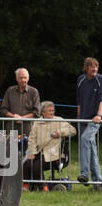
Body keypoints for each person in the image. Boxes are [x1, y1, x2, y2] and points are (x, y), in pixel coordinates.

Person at [24, 101, 76, 191]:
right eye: (50, 111)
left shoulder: (58, 120)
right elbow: (32, 139)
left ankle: (43, 187)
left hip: (55, 154)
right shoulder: (37, 123)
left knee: (37, 166)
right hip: (39, 152)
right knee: (27, 163)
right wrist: (32, 152)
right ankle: (26, 186)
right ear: (43, 113)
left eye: (53, 110)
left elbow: (73, 130)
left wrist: (59, 133)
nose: (52, 112)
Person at [76, 56, 102, 187]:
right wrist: (78, 117)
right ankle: (98, 181)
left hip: (94, 119)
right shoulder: (81, 80)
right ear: (86, 68)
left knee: (86, 139)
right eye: (92, 66)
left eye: (96, 66)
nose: (95, 69)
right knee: (90, 146)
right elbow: (79, 100)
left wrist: (99, 115)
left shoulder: (100, 79)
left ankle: (84, 173)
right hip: (83, 118)